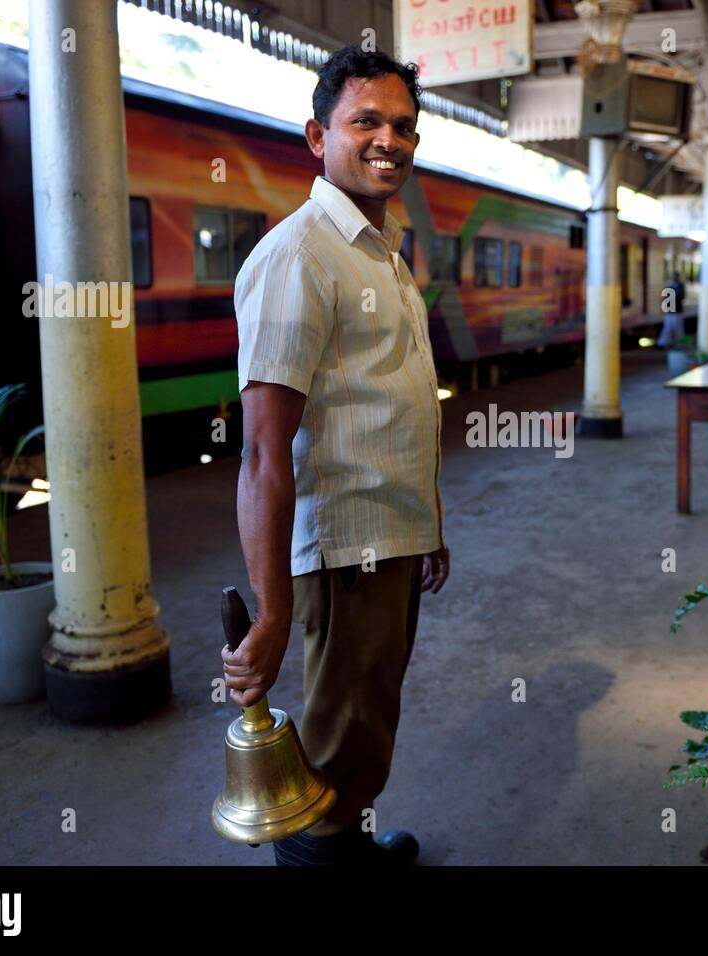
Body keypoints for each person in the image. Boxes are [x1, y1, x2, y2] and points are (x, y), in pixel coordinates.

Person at [224, 45, 448, 866]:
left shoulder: (382, 253)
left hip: (392, 537)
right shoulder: (300, 257)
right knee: (330, 749)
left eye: (404, 126)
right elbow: (260, 451)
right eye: (367, 122)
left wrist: (430, 524)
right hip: (347, 551)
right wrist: (274, 609)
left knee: (363, 729)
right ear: (318, 136)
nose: (390, 139)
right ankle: (326, 858)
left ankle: (350, 847)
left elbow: (394, 406)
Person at [657, 271, 686, 347]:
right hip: (671, 311)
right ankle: (663, 342)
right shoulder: (671, 287)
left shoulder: (679, 287)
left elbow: (681, 297)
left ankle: (679, 344)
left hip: (676, 311)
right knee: (668, 328)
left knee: (677, 328)